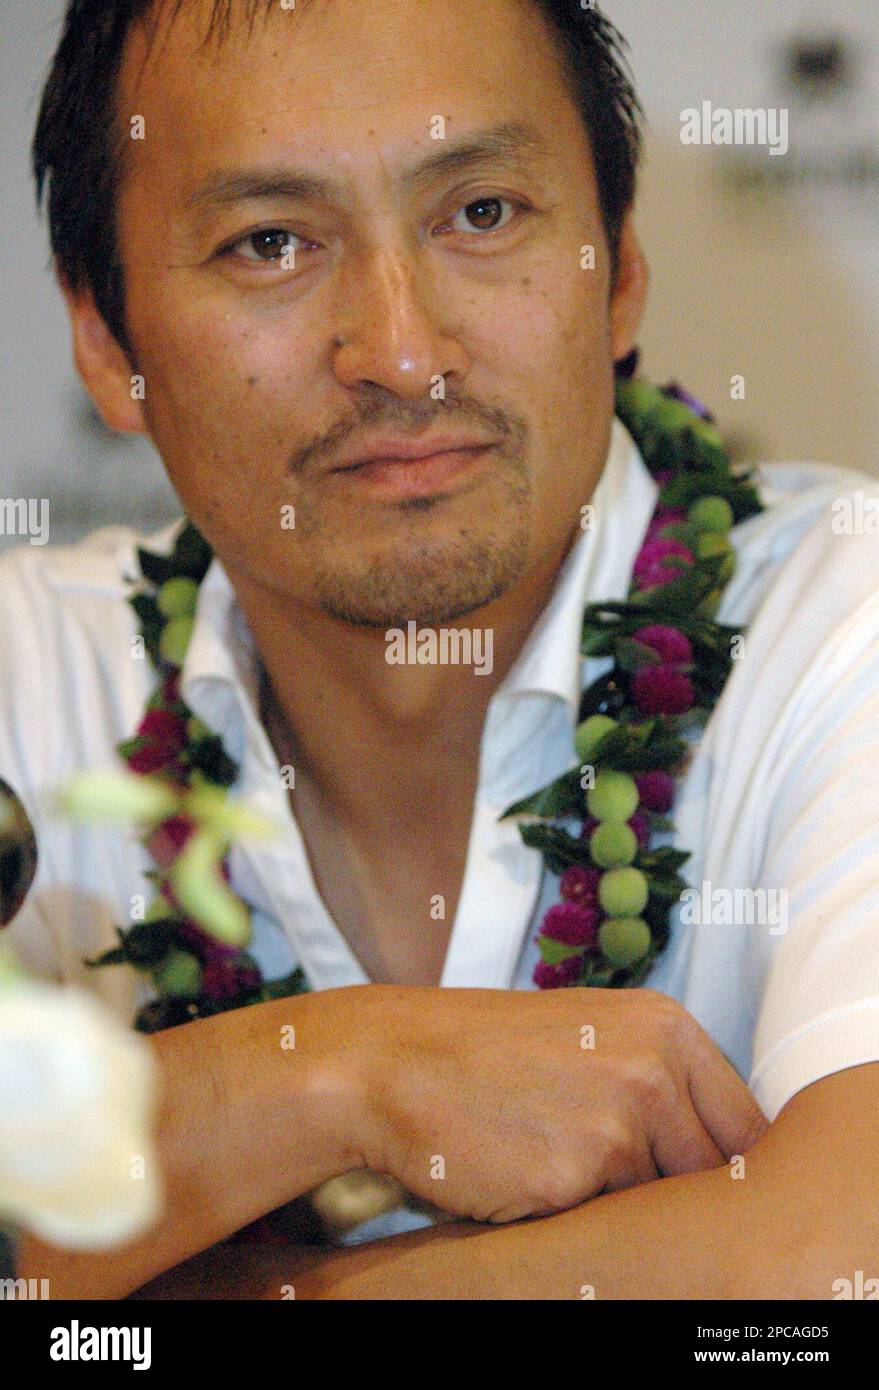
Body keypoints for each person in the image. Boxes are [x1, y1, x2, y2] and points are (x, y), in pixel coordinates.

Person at [4, 0, 879, 1299]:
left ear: (622, 263)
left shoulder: (844, 618)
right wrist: (336, 1067)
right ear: (104, 340)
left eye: (481, 213)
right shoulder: (30, 664)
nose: (403, 353)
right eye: (272, 242)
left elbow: (834, 1265)